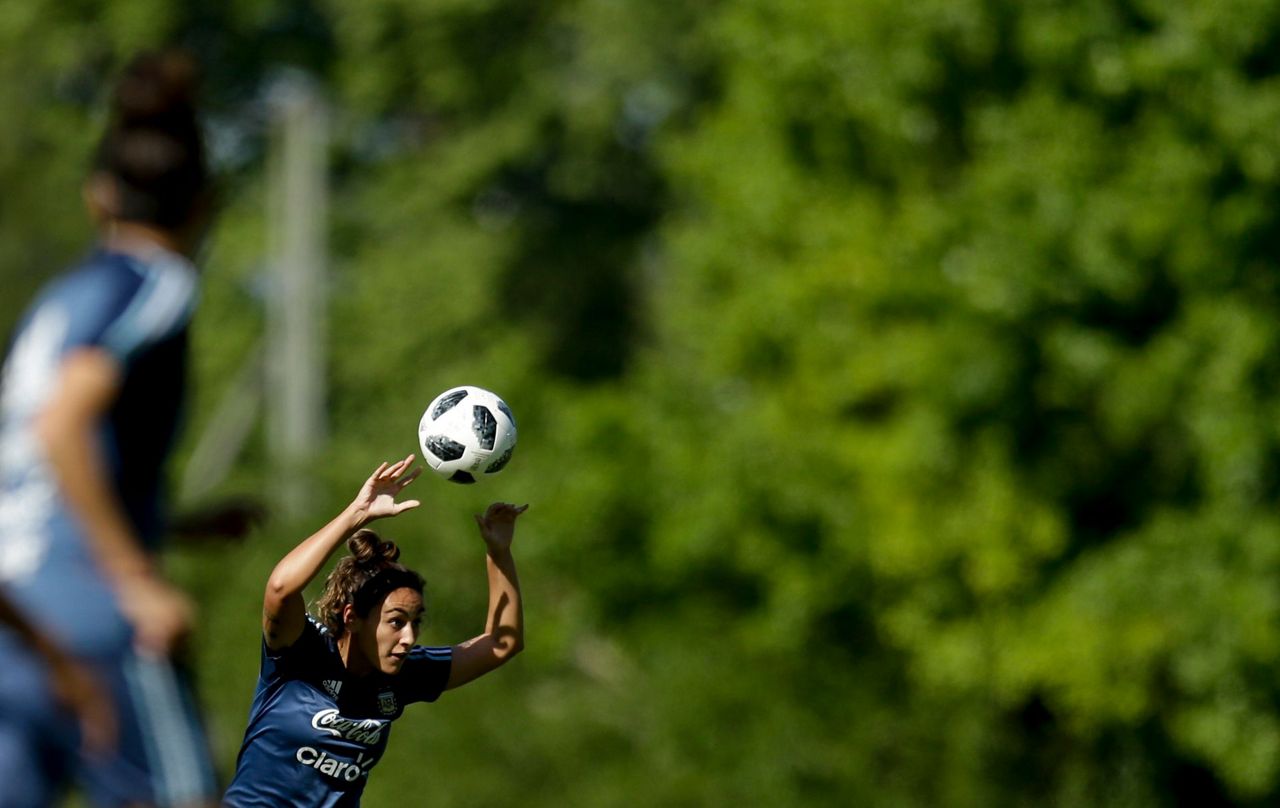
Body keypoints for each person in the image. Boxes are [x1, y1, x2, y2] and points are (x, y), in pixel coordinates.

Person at [0, 49, 223, 806]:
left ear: (99, 196)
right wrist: (135, 577)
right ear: (204, 204)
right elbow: (62, 422)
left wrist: (170, 523)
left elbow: (27, 462)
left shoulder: (58, 298)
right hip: (88, 612)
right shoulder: (155, 281)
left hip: (13, 619)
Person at [222, 455, 527, 805]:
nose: (409, 638)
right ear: (352, 617)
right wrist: (357, 514)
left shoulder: (402, 674)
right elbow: (280, 588)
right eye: (396, 622)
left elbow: (503, 644)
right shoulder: (300, 652)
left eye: (415, 623)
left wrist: (498, 553)